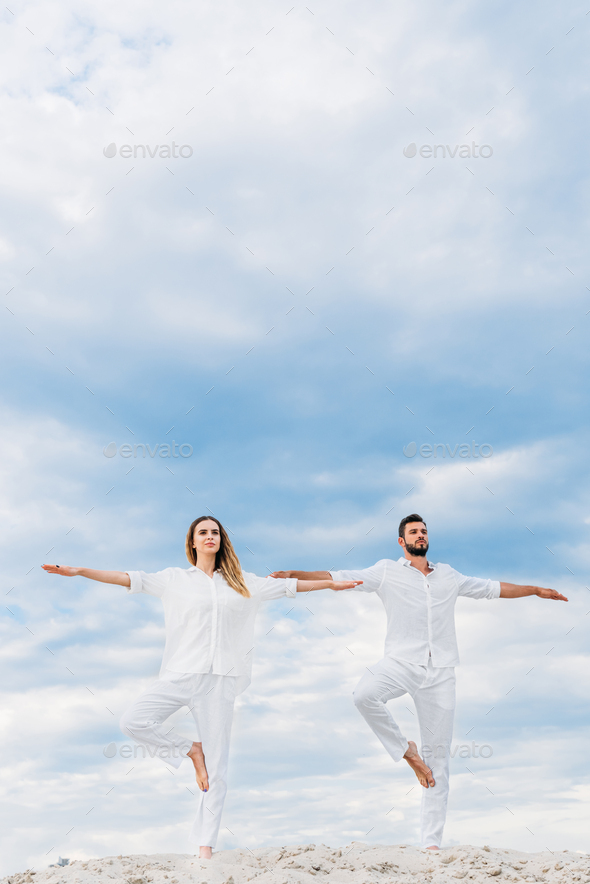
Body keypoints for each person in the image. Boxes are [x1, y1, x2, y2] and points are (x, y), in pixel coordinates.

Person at [43, 516, 361, 859]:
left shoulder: (243, 583)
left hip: (220, 681)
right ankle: (190, 750)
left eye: (215, 533)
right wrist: (80, 571)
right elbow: (126, 578)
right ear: (192, 542)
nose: (210, 537)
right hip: (181, 675)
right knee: (132, 722)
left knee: (219, 767)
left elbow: (290, 587)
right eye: (203, 533)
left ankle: (205, 846)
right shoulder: (174, 580)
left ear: (221, 540)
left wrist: (330, 585)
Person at [271, 513, 567, 851]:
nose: (420, 535)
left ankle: (430, 846)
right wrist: (296, 574)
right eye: (414, 531)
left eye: (424, 531)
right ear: (402, 541)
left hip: (440, 672)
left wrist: (536, 590)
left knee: (439, 759)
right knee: (363, 695)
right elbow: (341, 576)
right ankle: (406, 751)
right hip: (401, 662)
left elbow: (493, 589)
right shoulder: (386, 571)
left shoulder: (449, 577)